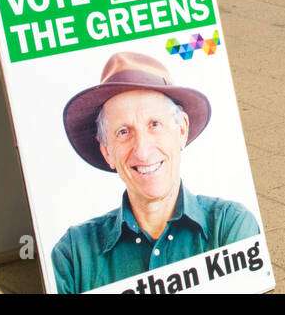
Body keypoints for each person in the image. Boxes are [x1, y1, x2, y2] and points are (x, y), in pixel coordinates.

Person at [51, 52, 262, 294]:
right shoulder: (73, 256)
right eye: (123, 131)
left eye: (154, 124)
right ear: (107, 152)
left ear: (181, 130)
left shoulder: (230, 227)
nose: (142, 151)